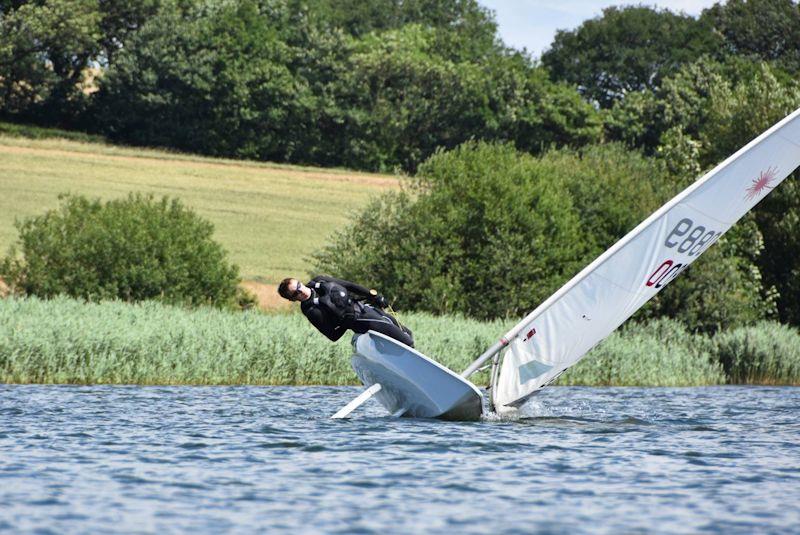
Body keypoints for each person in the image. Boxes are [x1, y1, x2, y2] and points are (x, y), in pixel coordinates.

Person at [277, 275, 414, 347]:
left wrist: (373, 296)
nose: (301, 291)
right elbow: (332, 336)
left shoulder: (319, 281)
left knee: (408, 333)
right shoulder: (311, 310)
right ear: (292, 299)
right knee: (406, 341)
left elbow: (349, 286)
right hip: (361, 323)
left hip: (366, 308)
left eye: (299, 285)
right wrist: (346, 323)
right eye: (296, 293)